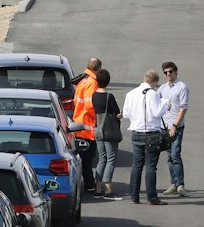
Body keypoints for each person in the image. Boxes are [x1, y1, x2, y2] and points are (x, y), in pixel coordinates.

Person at [122, 69, 170, 205]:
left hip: (136, 132)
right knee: (150, 166)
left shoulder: (131, 94)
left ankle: (134, 196)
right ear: (155, 82)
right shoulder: (153, 94)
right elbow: (156, 113)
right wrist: (166, 105)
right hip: (150, 133)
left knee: (137, 165)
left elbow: (125, 113)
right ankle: (152, 197)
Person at [159, 61, 190, 196]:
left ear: (176, 72)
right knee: (169, 157)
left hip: (176, 126)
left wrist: (174, 126)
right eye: (165, 72)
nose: (168, 74)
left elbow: (183, 108)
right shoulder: (162, 88)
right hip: (164, 127)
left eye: (170, 71)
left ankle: (180, 185)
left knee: (176, 155)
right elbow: (155, 101)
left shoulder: (182, 87)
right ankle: (173, 184)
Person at [89, 69, 120, 198]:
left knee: (102, 158)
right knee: (111, 159)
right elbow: (117, 113)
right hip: (109, 130)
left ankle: (97, 189)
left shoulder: (94, 95)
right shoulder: (109, 96)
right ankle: (108, 190)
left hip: (98, 128)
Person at [70, 57, 102, 148]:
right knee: (88, 156)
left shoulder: (83, 80)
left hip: (80, 123)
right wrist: (98, 117)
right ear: (99, 68)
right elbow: (90, 105)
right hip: (87, 125)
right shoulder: (92, 82)